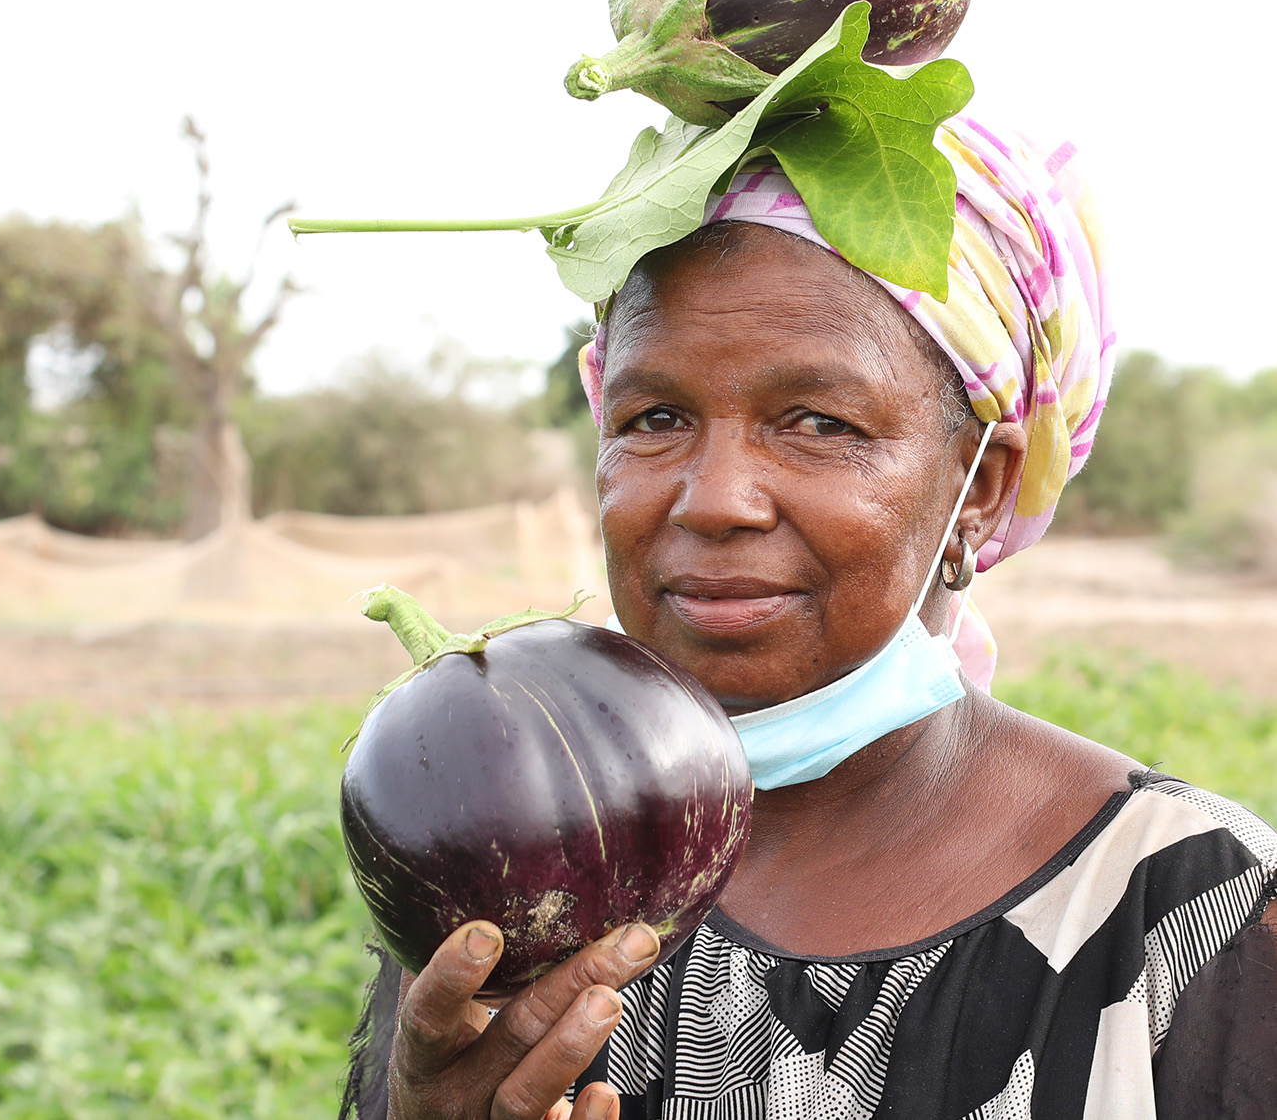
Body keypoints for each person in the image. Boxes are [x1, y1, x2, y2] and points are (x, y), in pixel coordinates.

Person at [339, 116, 1277, 1119]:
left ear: (981, 489)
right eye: (654, 418)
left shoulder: (1188, 910)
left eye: (819, 423)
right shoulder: (511, 861)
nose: (713, 500)